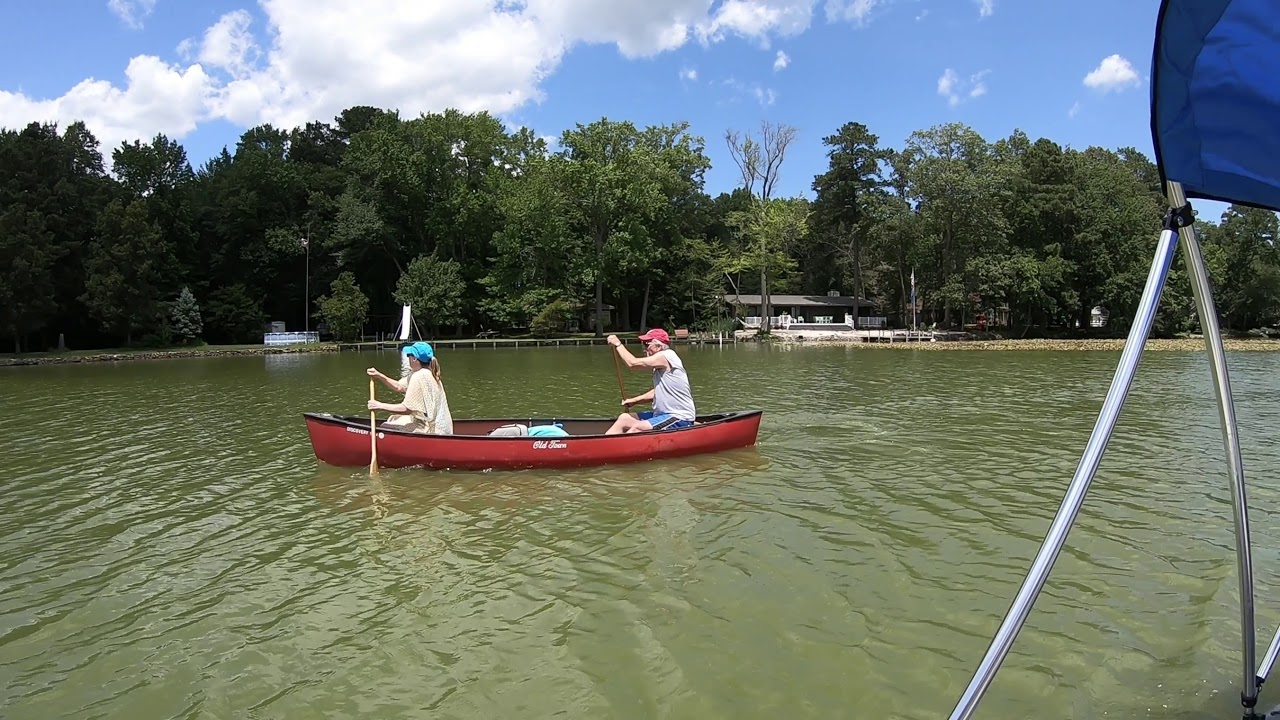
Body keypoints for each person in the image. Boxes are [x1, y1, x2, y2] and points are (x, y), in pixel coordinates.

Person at [604, 328, 697, 434]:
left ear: (658, 346)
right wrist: (634, 401)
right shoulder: (659, 364)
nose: (644, 348)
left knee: (638, 428)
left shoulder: (666, 356)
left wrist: (618, 344)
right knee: (624, 418)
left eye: (646, 344)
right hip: (662, 414)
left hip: (679, 416)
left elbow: (633, 364)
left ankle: (620, 449)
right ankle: (602, 447)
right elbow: (658, 391)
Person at [366, 341, 454, 435]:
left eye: (409, 355)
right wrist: (379, 375)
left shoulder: (420, 376)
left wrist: (379, 405)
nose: (408, 358)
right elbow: (399, 387)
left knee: (385, 427)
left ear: (415, 358)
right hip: (439, 427)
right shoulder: (426, 372)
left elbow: (406, 409)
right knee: (394, 418)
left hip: (433, 430)